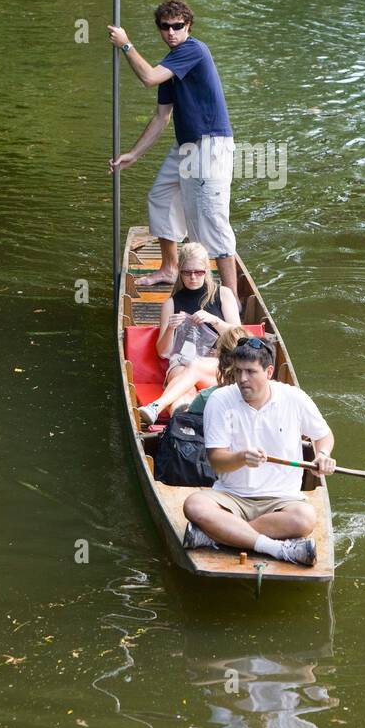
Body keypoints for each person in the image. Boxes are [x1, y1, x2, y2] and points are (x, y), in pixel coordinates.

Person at [108, 0, 237, 294]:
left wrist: (126, 45)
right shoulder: (172, 62)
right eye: (165, 27)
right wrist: (134, 154)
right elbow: (162, 117)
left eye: (178, 26)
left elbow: (148, 78)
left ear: (188, 25)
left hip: (209, 146)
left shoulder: (193, 49)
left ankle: (231, 297)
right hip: (185, 146)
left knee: (211, 221)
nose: (172, 32)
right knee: (161, 198)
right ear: (160, 29)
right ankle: (170, 267)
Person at [183, 337, 336, 567]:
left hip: (281, 500)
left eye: (251, 372)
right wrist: (242, 457)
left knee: (305, 518)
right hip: (231, 497)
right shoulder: (220, 400)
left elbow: (323, 435)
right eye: (238, 371)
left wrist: (323, 454)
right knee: (194, 505)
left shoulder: (294, 398)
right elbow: (217, 462)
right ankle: (277, 549)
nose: (242, 379)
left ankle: (218, 536)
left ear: (269, 371)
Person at [138, 243, 240, 426]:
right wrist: (170, 329)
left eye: (199, 272)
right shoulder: (171, 303)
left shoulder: (223, 294)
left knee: (193, 366)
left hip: (218, 363)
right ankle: (183, 429)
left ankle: (156, 406)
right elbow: (163, 352)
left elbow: (240, 338)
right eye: (187, 272)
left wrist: (214, 321)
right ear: (180, 271)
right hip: (181, 360)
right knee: (183, 385)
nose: (193, 277)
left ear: (206, 270)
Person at [140, 323, 251, 425]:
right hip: (226, 371)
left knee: (195, 366)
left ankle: (158, 408)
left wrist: (214, 321)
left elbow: (237, 330)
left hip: (233, 373)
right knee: (187, 389)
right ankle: (176, 415)